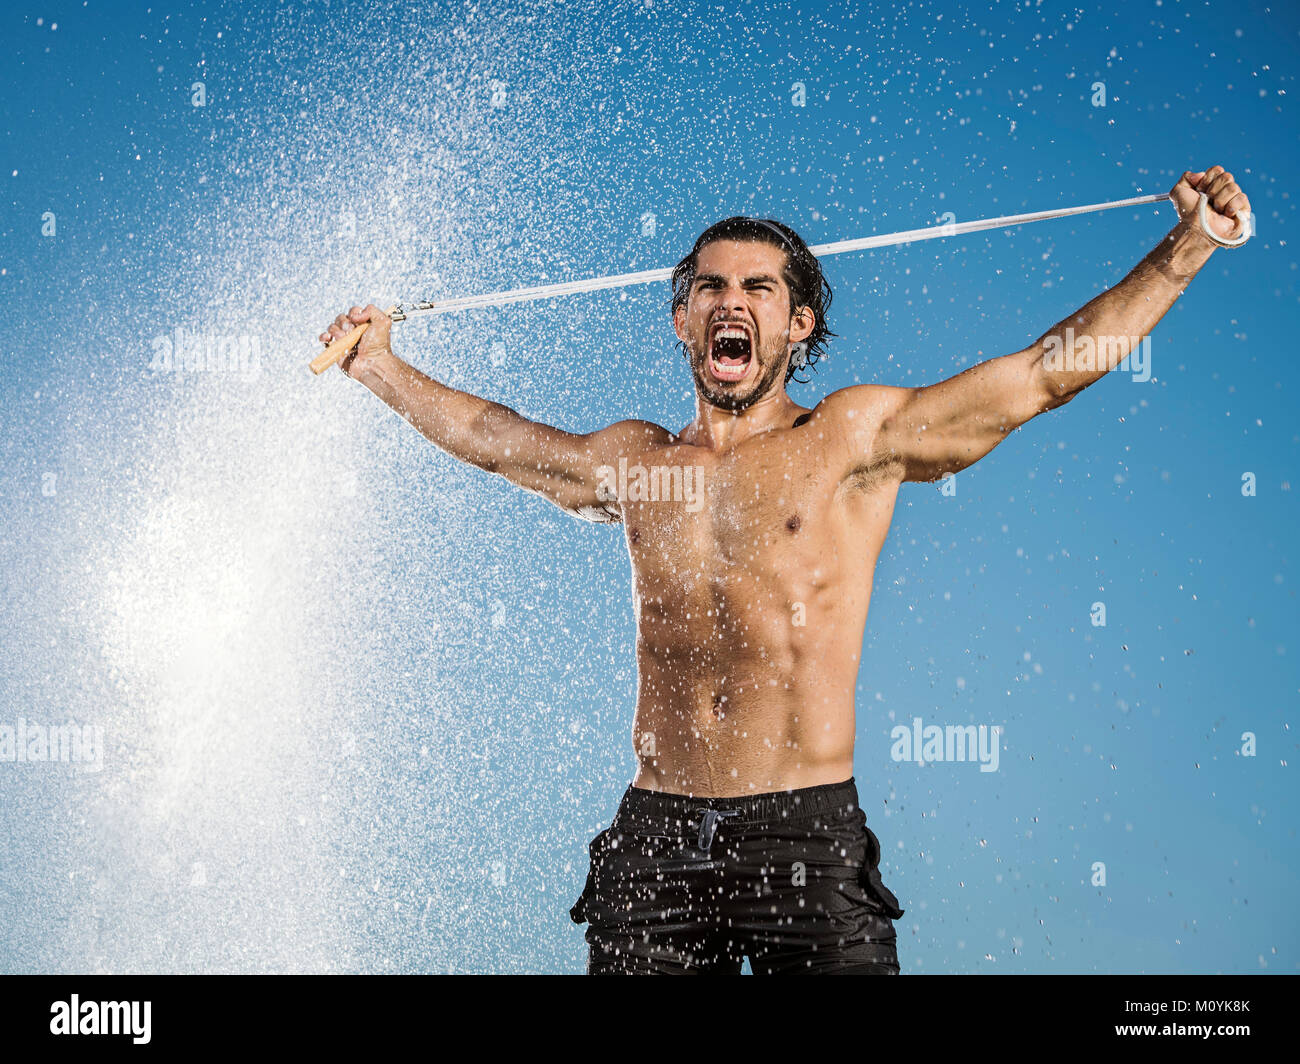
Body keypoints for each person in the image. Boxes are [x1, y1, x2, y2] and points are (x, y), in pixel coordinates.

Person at [319, 166, 1249, 974]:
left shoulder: (850, 437)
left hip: (806, 829)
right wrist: (378, 365)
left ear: (798, 322)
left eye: (760, 289)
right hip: (656, 838)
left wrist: (1186, 247)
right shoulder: (639, 464)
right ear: (682, 318)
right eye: (712, 288)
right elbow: (497, 441)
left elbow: (1042, 375)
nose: (734, 302)